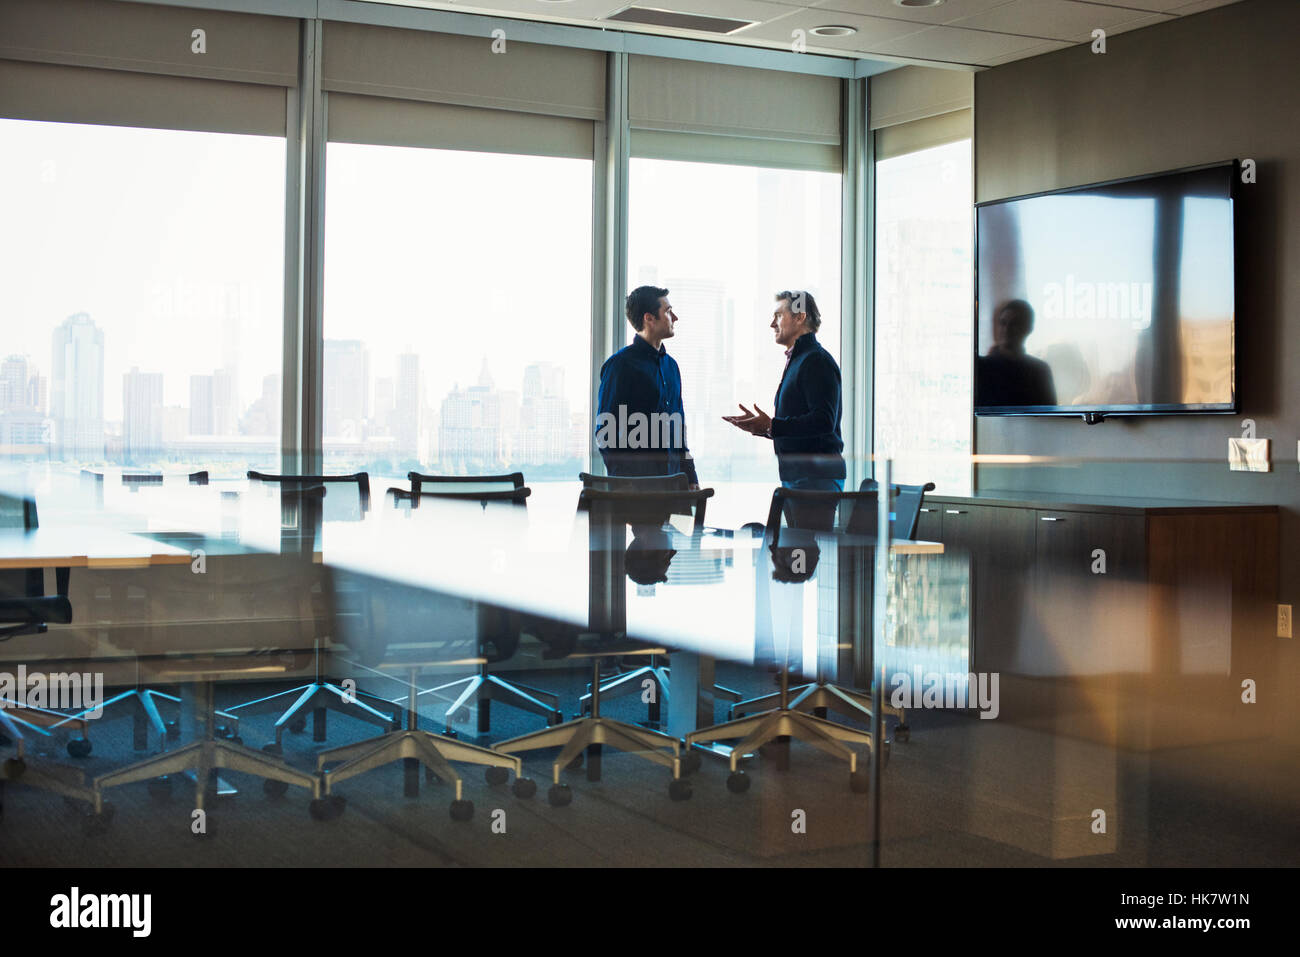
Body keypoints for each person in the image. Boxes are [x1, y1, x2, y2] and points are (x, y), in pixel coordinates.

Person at [723, 290, 844, 529]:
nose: (771, 324)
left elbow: (823, 421)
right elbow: (802, 422)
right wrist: (766, 430)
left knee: (805, 552)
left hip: (814, 478)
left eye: (778, 315)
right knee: (801, 552)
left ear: (800, 316)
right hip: (801, 476)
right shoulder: (801, 359)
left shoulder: (815, 360)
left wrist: (772, 425)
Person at [595, 285, 699, 488]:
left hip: (676, 485)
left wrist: (691, 476)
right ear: (649, 318)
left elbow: (678, 429)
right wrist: (628, 485)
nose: (674, 317)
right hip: (639, 490)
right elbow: (605, 433)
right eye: (668, 312)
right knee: (651, 522)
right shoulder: (620, 365)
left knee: (688, 521)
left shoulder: (672, 366)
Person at [976, 299, 1057, 408]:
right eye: (1003, 323)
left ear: (1028, 329)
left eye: (1014, 324)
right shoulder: (979, 367)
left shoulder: (1040, 371)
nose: (1006, 329)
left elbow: (1048, 419)